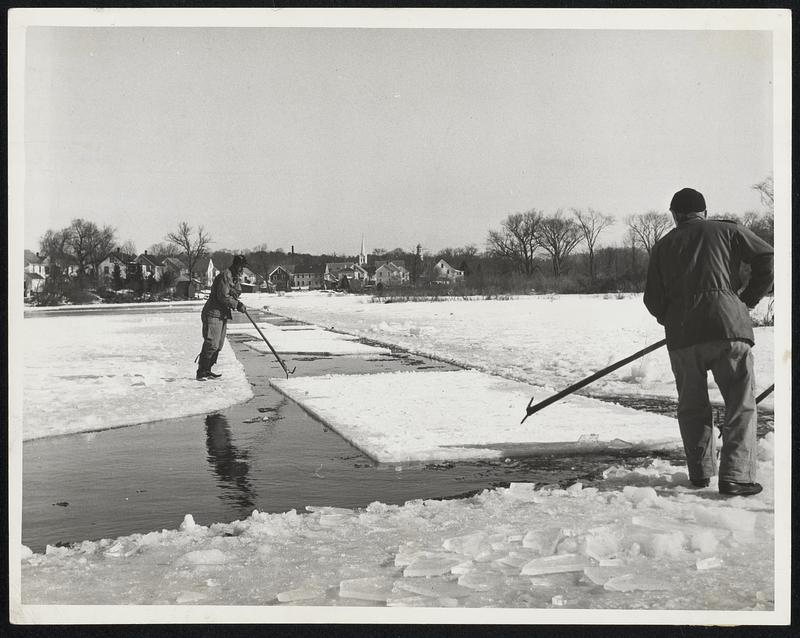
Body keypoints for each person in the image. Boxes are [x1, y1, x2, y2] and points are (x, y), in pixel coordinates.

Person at [644, 188, 773, 496]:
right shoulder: (728, 230)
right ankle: (737, 477)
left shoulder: (663, 246)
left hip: (683, 337)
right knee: (740, 404)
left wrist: (674, 318)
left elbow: (652, 299)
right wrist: (746, 301)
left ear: (675, 215)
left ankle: (700, 473)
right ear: (704, 211)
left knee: (692, 406)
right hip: (730, 329)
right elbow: (767, 258)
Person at [196, 254, 248, 381]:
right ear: (235, 265)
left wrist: (236, 293)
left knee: (218, 345)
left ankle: (208, 370)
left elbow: (237, 292)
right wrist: (237, 304)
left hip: (222, 314)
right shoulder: (226, 275)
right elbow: (223, 296)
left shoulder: (235, 278)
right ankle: (201, 371)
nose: (242, 270)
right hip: (213, 313)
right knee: (212, 343)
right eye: (240, 267)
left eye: (243, 267)